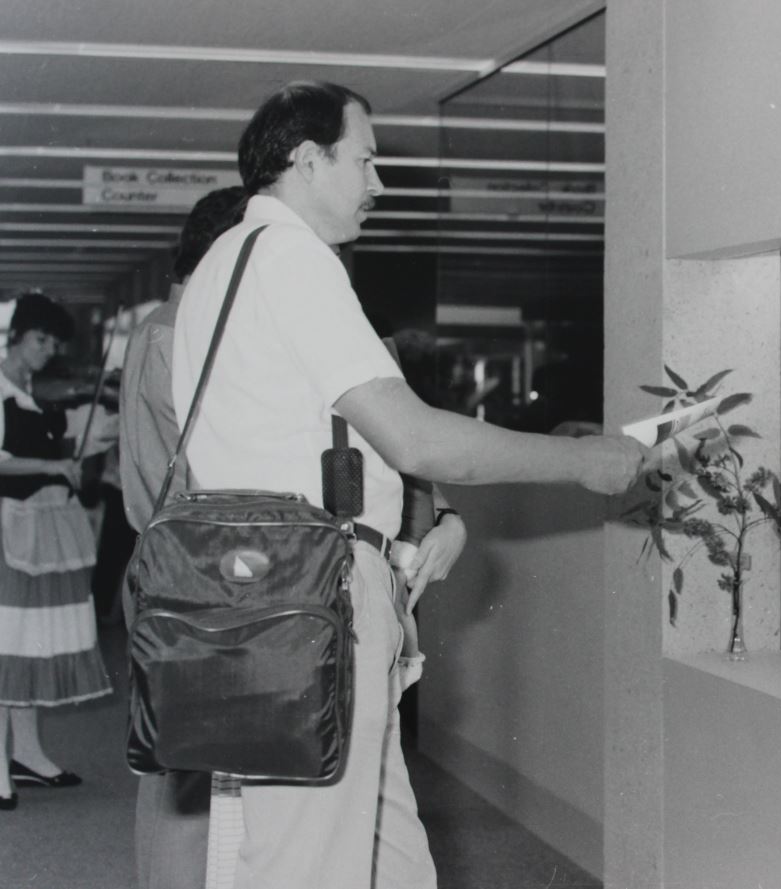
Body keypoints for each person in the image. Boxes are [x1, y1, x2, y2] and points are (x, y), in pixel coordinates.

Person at [168, 81, 645, 889]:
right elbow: (414, 434)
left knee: (389, 858)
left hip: (263, 588)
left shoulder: (226, 263)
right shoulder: (292, 260)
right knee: (307, 864)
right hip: (311, 596)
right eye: (367, 160)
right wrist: (582, 461)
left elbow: (349, 434)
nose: (379, 183)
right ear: (307, 161)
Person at [118, 184, 245, 889]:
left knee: (171, 764)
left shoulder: (155, 327)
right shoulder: (186, 335)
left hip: (161, 559)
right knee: (187, 772)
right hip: (196, 567)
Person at [0, 292, 116, 811]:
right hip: (8, 531)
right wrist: (51, 467)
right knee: (7, 643)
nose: (47, 350)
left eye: (53, 342)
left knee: (30, 640)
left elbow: (53, 442)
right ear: (16, 336)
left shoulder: (33, 392)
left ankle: (25, 752)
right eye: (40, 339)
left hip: (41, 531)